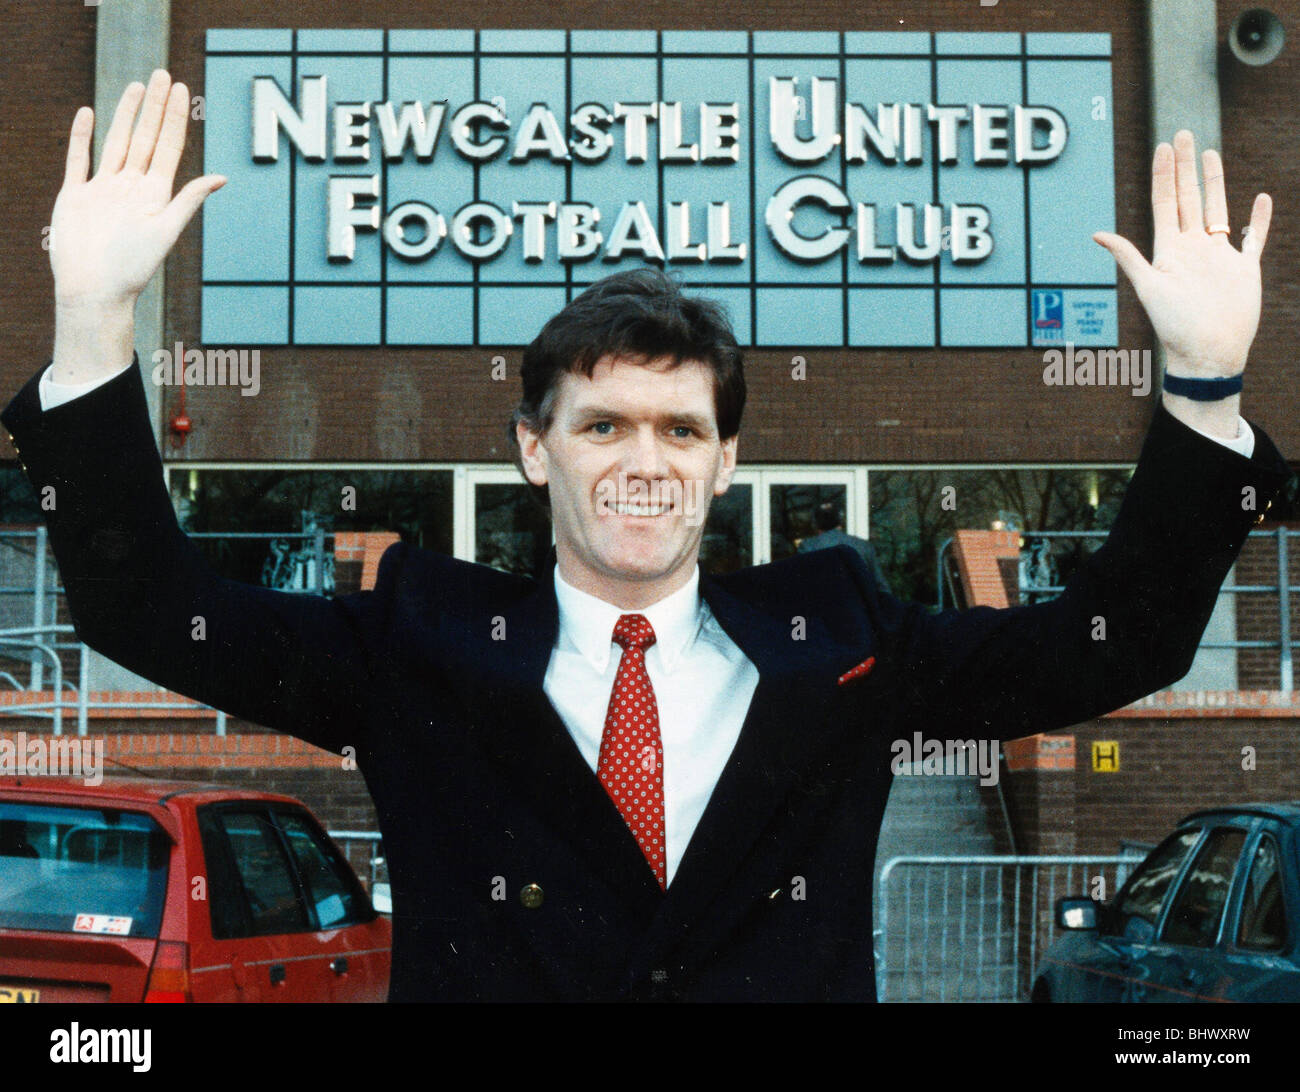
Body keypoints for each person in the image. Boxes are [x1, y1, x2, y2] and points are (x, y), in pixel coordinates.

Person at [4, 70, 1287, 1001]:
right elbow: (146, 611)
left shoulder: (841, 644)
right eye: (603, 424)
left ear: (727, 461)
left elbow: (1117, 643)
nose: (642, 464)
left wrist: (1203, 391)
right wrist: (92, 331)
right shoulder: (416, 642)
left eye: (679, 431)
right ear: (533, 445)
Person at [798, 502, 892, 595]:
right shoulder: (863, 546)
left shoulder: (807, 547)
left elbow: (801, 587)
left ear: (815, 524)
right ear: (840, 521)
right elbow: (881, 587)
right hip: (858, 608)